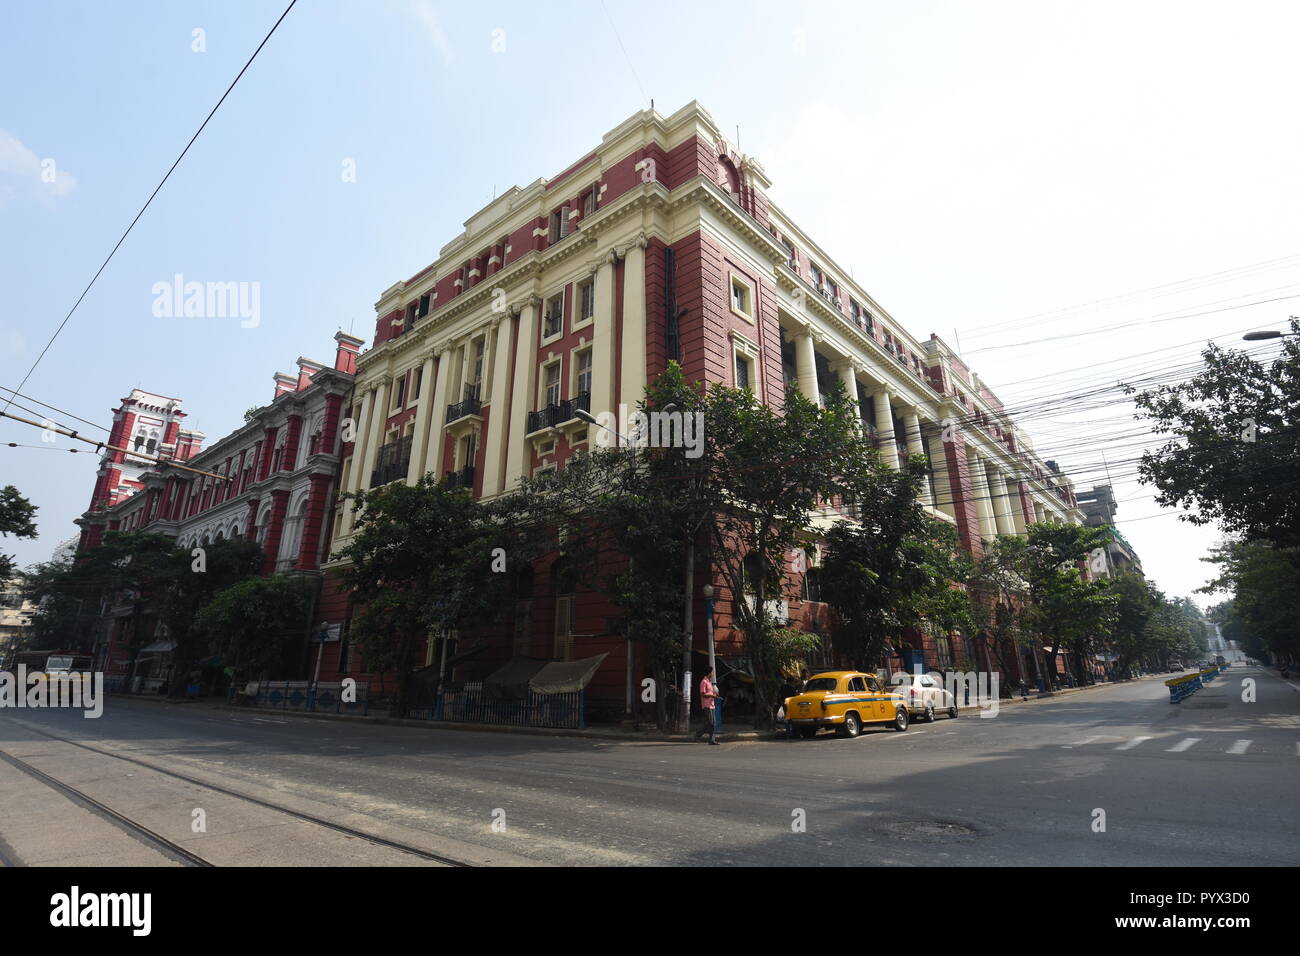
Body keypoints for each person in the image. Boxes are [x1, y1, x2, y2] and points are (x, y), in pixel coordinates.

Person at [695, 669, 721, 744]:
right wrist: (712, 695)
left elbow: (710, 692)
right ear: (709, 673)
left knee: (713, 722)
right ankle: (698, 734)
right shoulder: (704, 682)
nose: (713, 674)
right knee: (711, 722)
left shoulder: (709, 682)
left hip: (712, 704)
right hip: (706, 705)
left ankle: (711, 740)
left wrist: (715, 695)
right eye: (712, 672)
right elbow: (703, 694)